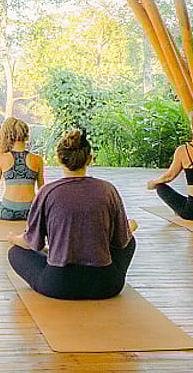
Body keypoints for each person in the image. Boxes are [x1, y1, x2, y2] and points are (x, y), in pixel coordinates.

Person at [8, 128, 137, 300]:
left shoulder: (48, 192)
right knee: (130, 240)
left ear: (59, 159)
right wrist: (130, 226)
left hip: (59, 285)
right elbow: (121, 241)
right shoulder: (108, 190)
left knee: (15, 252)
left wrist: (13, 238)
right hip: (106, 285)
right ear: (90, 159)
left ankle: (56, 252)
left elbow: (32, 243)